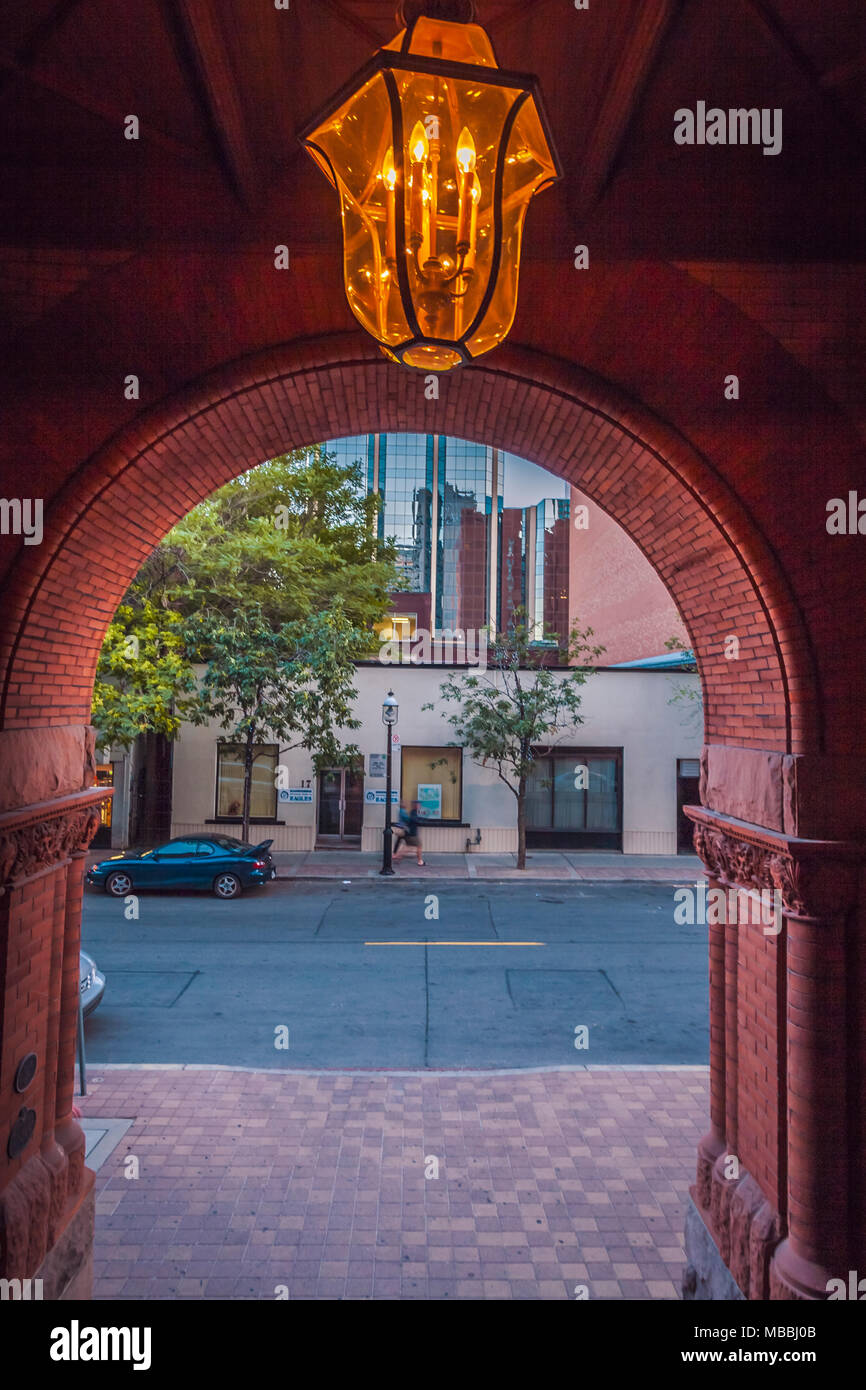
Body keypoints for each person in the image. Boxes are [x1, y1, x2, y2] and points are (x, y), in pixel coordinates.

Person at [393, 799, 425, 866]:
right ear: (416, 805)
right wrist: (420, 821)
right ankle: (420, 861)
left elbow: (411, 820)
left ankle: (397, 856)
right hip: (411, 832)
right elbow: (411, 820)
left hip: (408, 832)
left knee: (408, 846)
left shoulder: (411, 812)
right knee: (418, 846)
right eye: (418, 804)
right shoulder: (408, 812)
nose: (420, 806)